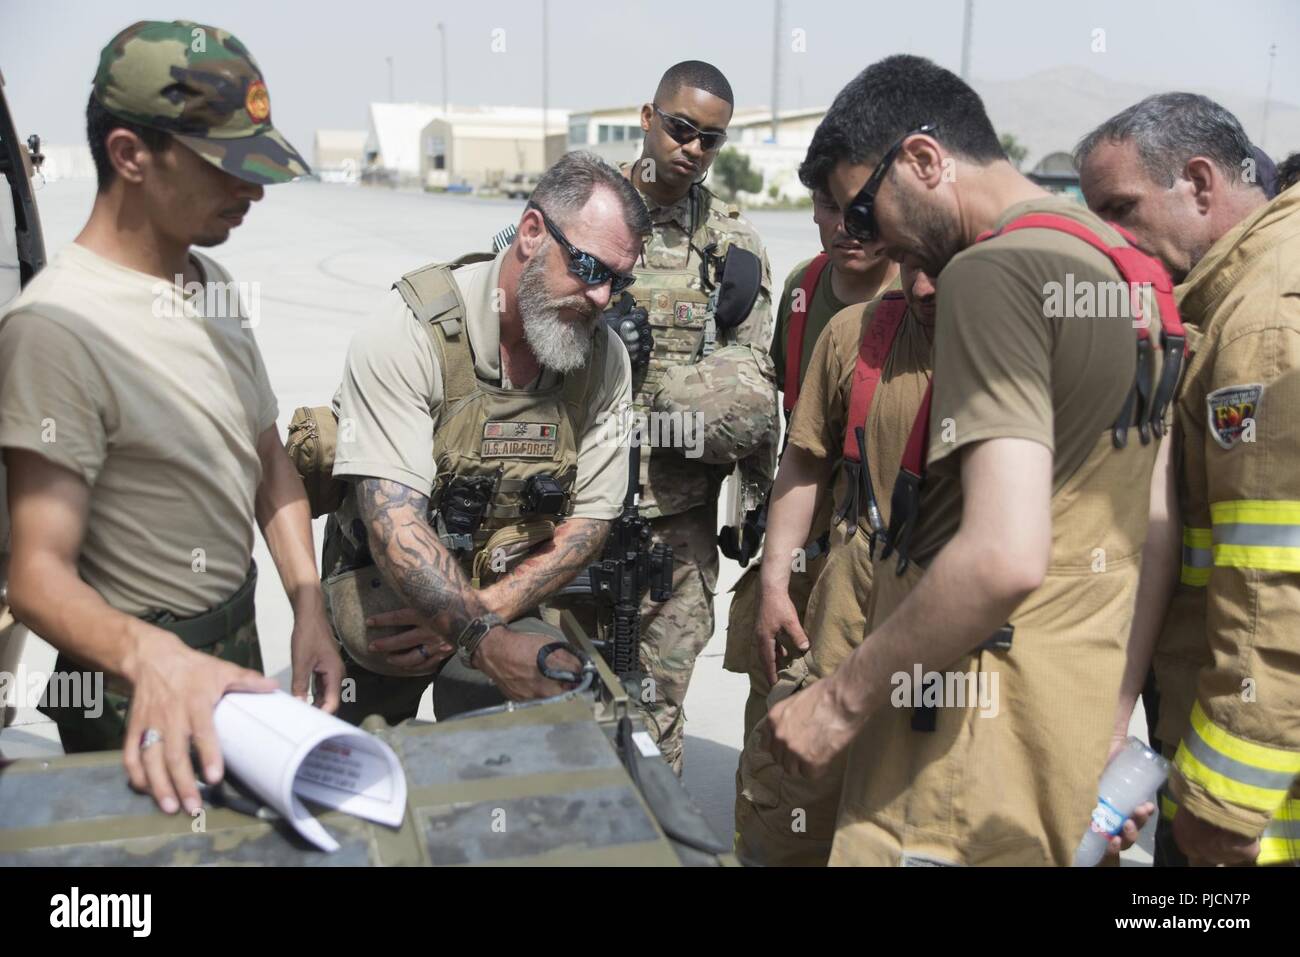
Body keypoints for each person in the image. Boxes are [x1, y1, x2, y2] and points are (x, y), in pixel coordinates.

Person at [765, 55, 1178, 866]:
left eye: (863, 207)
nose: (866, 238)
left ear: (924, 160)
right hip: (1058, 732)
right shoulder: (1131, 270)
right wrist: (1110, 717)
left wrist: (836, 705)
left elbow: (1001, 554)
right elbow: (1151, 532)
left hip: (956, 756)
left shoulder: (995, 272)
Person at [0, 20, 342, 815]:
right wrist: (153, 657)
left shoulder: (212, 281)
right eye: (226, 166)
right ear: (129, 155)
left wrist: (308, 605)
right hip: (135, 683)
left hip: (232, 650)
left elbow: (266, 456)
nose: (252, 189)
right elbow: (37, 575)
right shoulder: (56, 327)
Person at [322, 151, 647, 725]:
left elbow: (590, 522)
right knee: (357, 775)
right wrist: (482, 635)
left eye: (618, 282)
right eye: (590, 269)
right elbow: (393, 523)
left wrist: (479, 619)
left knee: (505, 769)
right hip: (389, 602)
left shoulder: (605, 361)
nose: (602, 299)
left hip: (503, 596)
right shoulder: (408, 333)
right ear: (530, 233)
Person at [1077, 93, 1300, 866]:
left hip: (1254, 800)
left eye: (1121, 207)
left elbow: (1274, 583)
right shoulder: (1229, 301)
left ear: (1200, 184)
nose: (1111, 237)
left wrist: (1225, 803)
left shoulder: (1263, 323)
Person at [736, 261, 934, 866]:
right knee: (793, 805)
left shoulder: (1028, 343)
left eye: (945, 264)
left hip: (953, 627)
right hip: (845, 615)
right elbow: (804, 461)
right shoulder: (857, 333)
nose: (923, 287)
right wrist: (775, 585)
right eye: (915, 263)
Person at [620, 60, 780, 773]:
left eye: (710, 139)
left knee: (656, 718)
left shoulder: (733, 246)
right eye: (681, 128)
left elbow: (756, 391)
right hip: (569, 514)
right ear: (648, 118)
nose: (692, 147)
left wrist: (753, 511)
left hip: (676, 529)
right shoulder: (582, 213)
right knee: (554, 700)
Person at [724, 187, 898, 745]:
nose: (845, 224)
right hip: (803, 523)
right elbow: (789, 421)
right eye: (828, 206)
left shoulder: (921, 297)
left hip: (882, 532)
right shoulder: (804, 286)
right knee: (774, 692)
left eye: (862, 209)